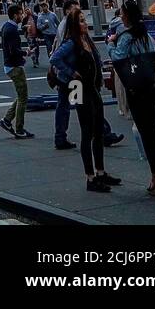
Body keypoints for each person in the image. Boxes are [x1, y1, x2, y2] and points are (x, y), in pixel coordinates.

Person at [111, 0, 155, 195]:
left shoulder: (126, 37)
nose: (121, 16)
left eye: (123, 13)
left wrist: (111, 45)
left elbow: (118, 58)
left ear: (128, 16)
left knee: (146, 131)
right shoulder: (146, 36)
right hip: (152, 87)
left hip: (137, 89)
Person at [51, 11, 118, 193]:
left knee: (97, 130)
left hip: (91, 87)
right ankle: (90, 177)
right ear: (74, 25)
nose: (85, 23)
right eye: (81, 21)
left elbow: (95, 61)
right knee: (86, 131)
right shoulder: (71, 42)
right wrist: (71, 72)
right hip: (77, 87)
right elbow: (54, 58)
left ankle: (101, 171)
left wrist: (100, 78)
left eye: (84, 20)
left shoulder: (86, 40)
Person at [0, 2, 33, 139]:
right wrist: (26, 53)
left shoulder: (7, 26)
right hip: (15, 67)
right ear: (15, 15)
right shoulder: (12, 30)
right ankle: (19, 129)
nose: (22, 16)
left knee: (21, 96)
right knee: (23, 98)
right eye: (20, 14)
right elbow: (13, 51)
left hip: (10, 65)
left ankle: (7, 120)